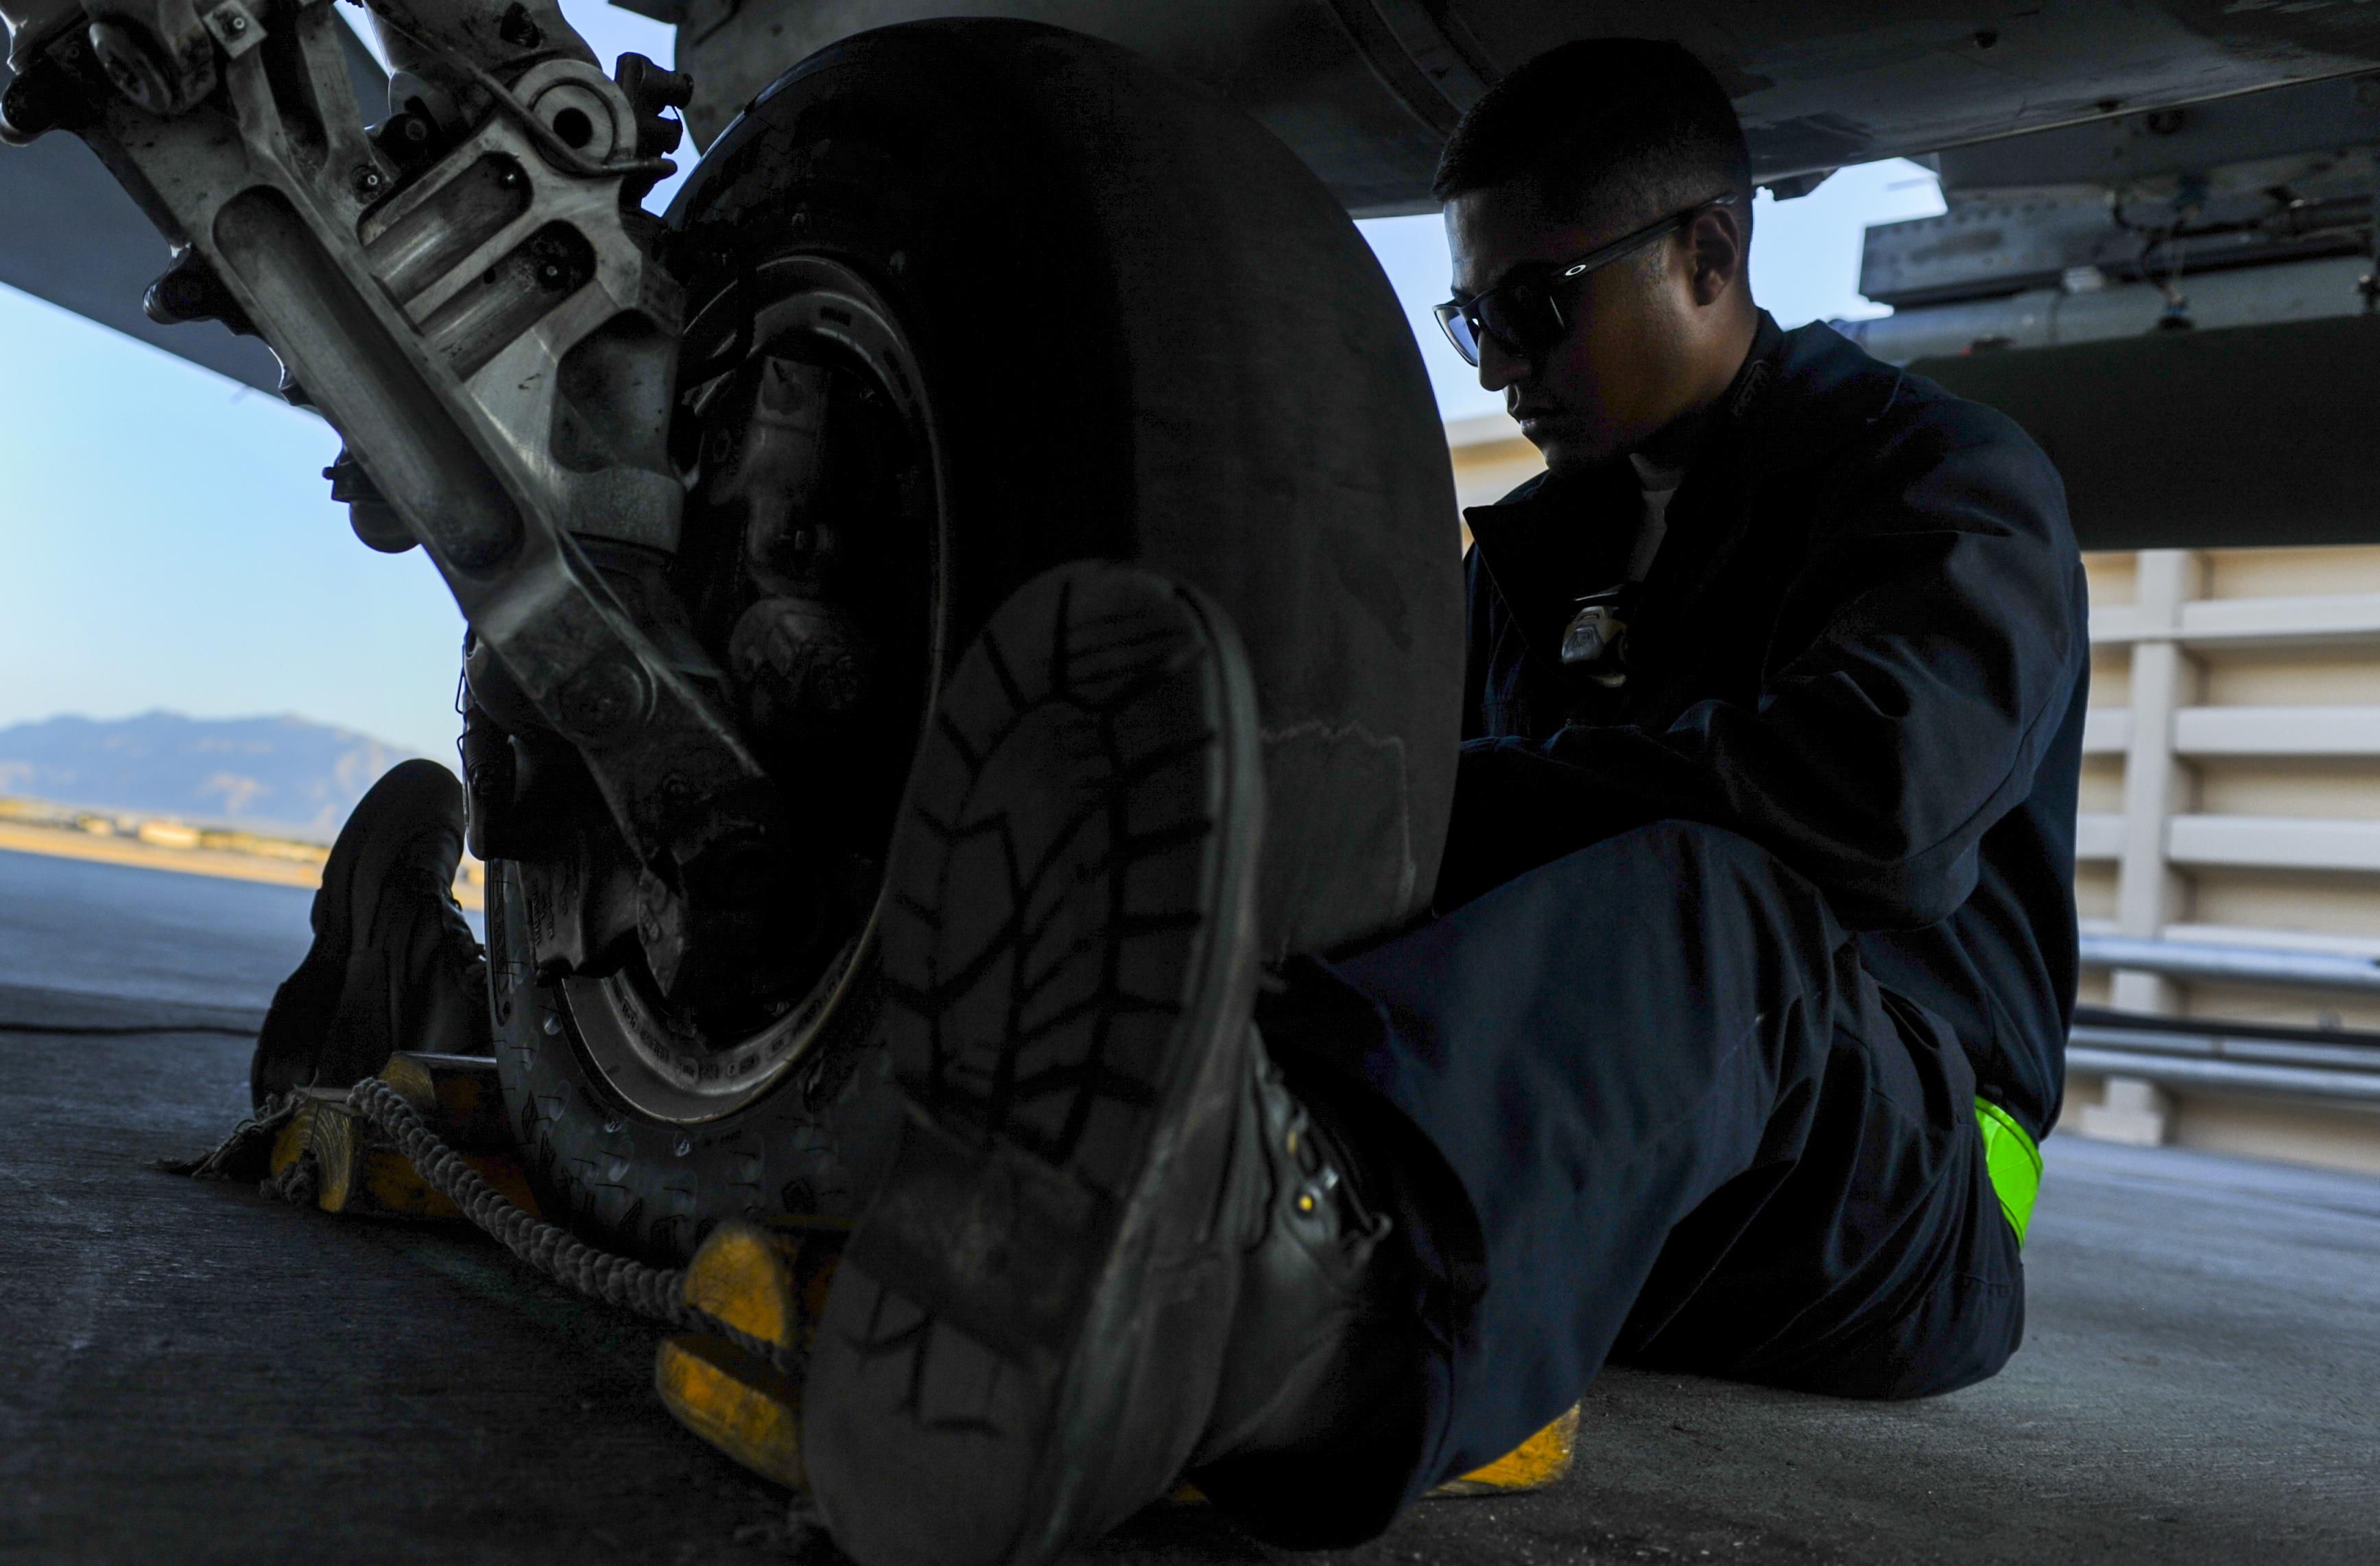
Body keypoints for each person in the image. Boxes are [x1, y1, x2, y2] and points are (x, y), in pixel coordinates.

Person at [254, 36, 2086, 1566]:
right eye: (1475, 320)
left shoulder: (1940, 486)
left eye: (1536, 307)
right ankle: (481, 1026)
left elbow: (1877, 803)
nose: (1503, 365)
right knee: (1184, 966)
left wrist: (1447, 804)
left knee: (1710, 912)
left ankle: (1288, 1320)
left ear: (1710, 254)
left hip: (1888, 1186)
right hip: (1599, 1133)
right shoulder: (1535, 559)